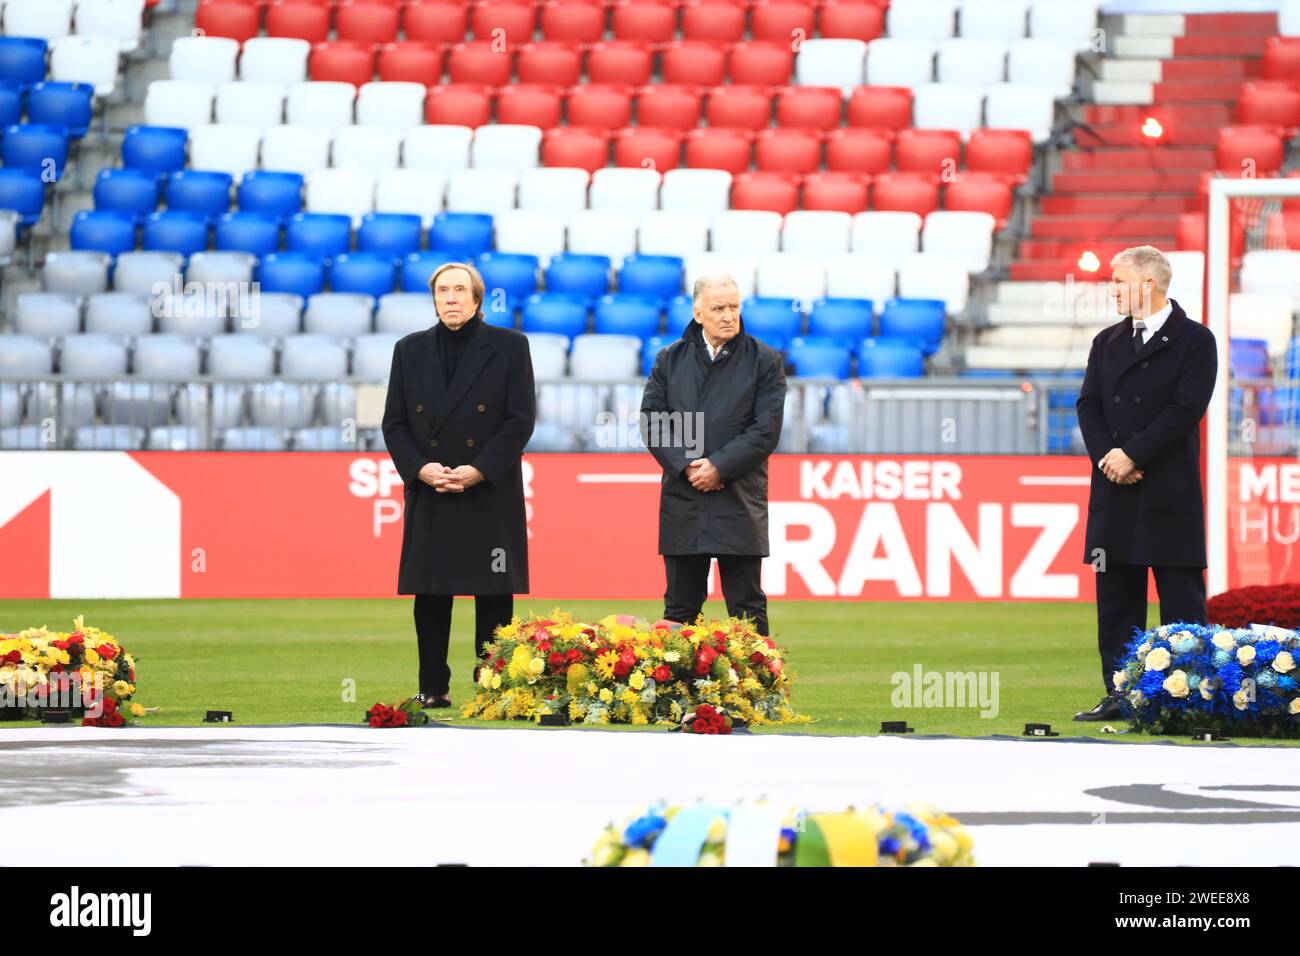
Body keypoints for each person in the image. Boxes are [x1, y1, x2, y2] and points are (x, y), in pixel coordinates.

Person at [381, 262, 536, 708]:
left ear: (476, 298)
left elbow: (519, 420)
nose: (451, 298)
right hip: (431, 488)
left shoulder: (510, 347)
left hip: (488, 488)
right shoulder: (408, 350)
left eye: (459, 290)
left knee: (492, 594)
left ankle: (491, 687)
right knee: (430, 593)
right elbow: (394, 424)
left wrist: (480, 469)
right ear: (433, 298)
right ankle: (433, 687)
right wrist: (421, 468)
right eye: (443, 290)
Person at [1073, 245, 1218, 721]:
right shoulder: (1105, 342)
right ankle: (1120, 696)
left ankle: (1188, 697)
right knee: (1115, 603)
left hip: (1168, 492)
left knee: (1181, 601)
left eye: (1118, 281)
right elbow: (1088, 406)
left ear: (1147, 284)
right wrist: (1109, 460)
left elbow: (1185, 410)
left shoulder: (1196, 341)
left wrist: (1133, 453)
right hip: (1114, 489)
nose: (1111, 289)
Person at [640, 272, 786, 635]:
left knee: (747, 606)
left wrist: (719, 466)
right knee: (679, 609)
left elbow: (765, 430)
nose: (728, 315)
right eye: (718, 307)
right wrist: (688, 466)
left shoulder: (764, 360)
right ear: (698, 311)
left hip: (738, 495)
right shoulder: (670, 359)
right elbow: (653, 422)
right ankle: (679, 691)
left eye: (734, 307)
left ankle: (759, 690)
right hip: (684, 496)